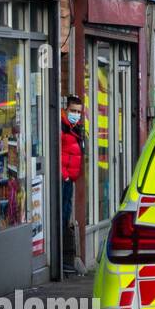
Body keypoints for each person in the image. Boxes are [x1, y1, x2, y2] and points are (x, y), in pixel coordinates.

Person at [61, 95, 85, 274]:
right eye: (73, 111)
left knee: (65, 217)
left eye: (78, 112)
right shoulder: (62, 127)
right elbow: (57, 152)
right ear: (66, 109)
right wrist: (65, 176)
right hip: (64, 180)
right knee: (61, 217)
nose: (76, 115)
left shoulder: (74, 128)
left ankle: (64, 259)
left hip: (70, 180)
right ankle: (60, 260)